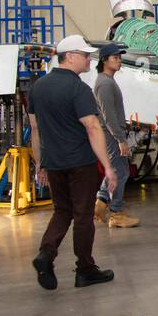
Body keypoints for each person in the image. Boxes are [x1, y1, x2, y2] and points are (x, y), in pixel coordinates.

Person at [29, 35, 120, 290]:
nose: (89, 59)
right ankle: (86, 269)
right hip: (81, 163)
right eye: (85, 54)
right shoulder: (78, 89)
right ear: (69, 56)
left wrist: (40, 164)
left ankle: (46, 254)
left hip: (54, 163)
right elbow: (92, 127)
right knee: (82, 216)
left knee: (62, 211)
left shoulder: (38, 87)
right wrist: (109, 167)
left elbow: (35, 129)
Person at [92, 42, 139, 228]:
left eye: (119, 58)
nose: (119, 61)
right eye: (115, 58)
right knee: (121, 172)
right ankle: (116, 213)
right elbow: (109, 116)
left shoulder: (107, 81)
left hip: (112, 134)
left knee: (118, 170)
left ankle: (101, 202)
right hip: (112, 135)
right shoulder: (104, 83)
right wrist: (121, 139)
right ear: (104, 60)